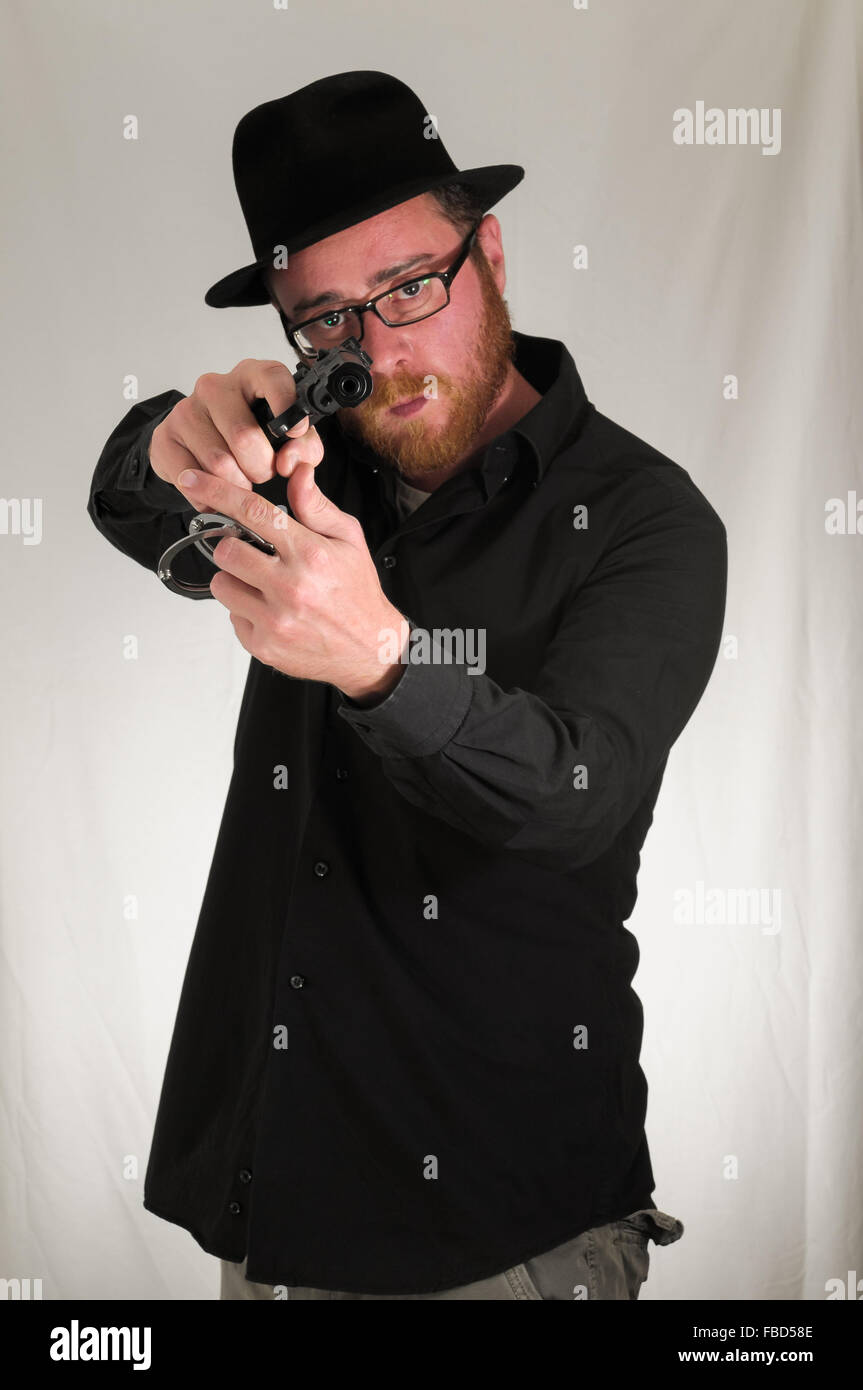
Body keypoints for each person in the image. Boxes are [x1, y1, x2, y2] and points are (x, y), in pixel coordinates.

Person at [87, 71, 725, 1300]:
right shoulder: (314, 463)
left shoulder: (645, 521)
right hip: (275, 1214)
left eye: (410, 286)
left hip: (504, 1234)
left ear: (489, 254)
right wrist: (180, 439)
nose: (379, 351)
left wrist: (383, 660)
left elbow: (575, 793)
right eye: (326, 321)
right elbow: (133, 504)